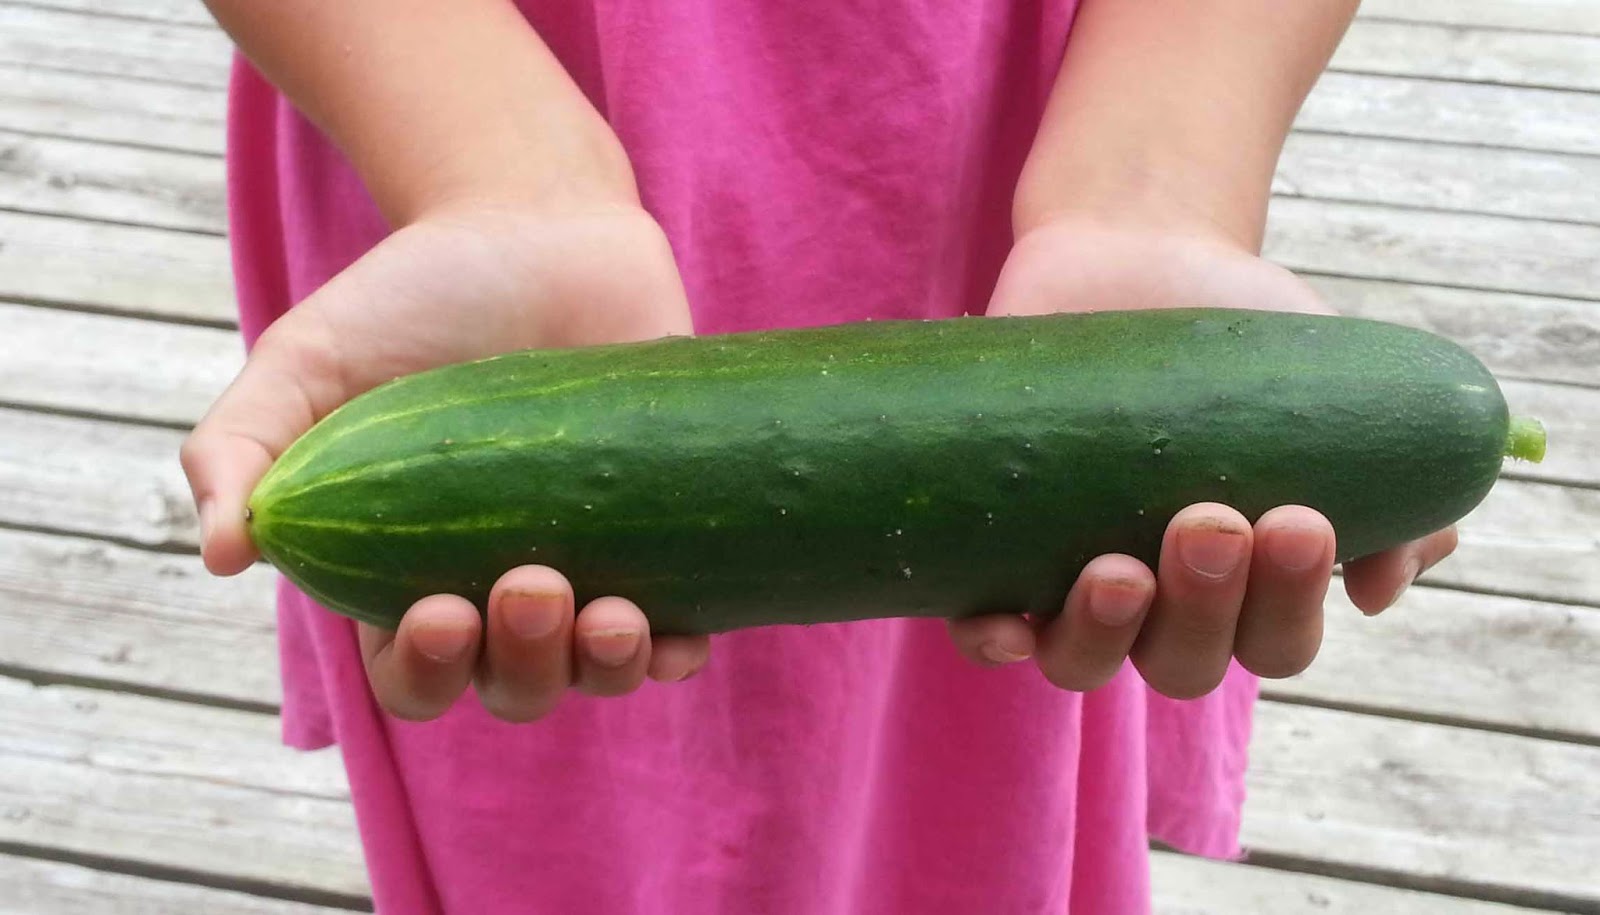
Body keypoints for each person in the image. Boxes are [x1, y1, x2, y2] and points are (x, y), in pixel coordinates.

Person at [180, 1, 1460, 911]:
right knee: (574, 821)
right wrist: (507, 182)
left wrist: (1151, 195)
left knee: (954, 817)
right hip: (443, 119)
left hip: (1035, 170)